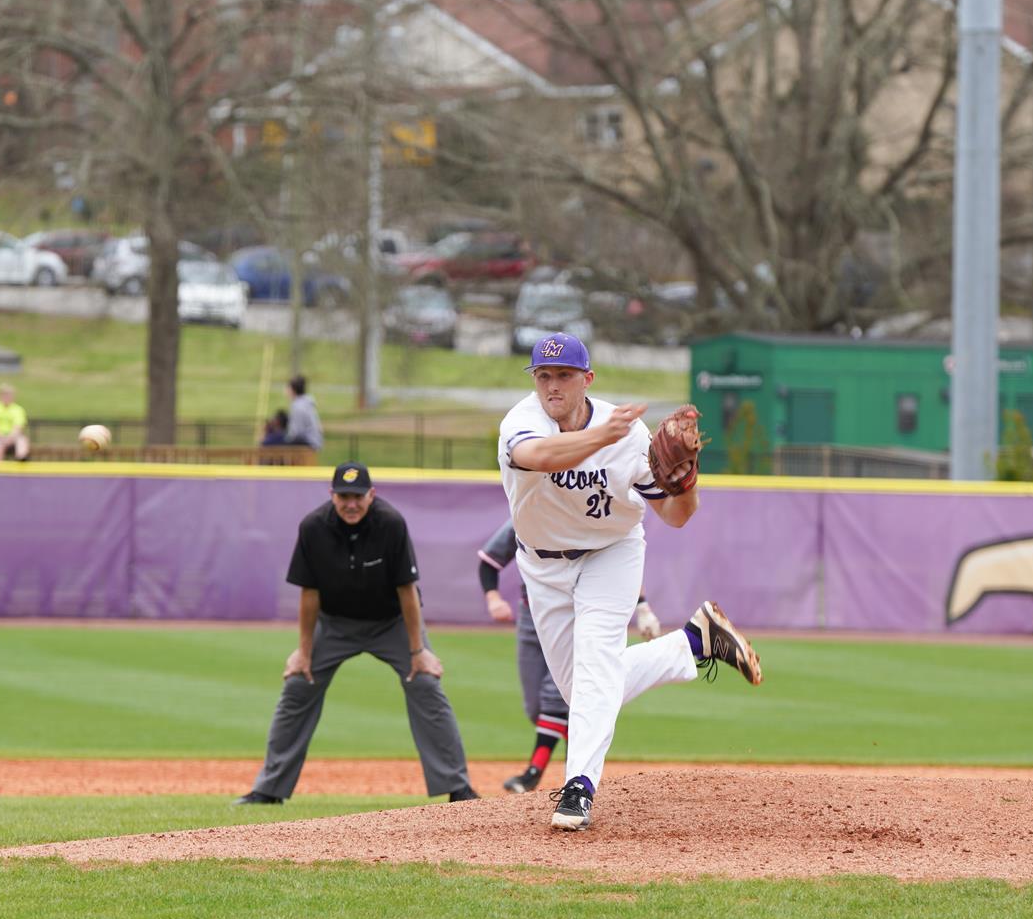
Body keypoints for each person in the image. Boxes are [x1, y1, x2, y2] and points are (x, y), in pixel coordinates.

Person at [499, 332, 761, 832]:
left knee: (597, 664)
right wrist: (604, 435)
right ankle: (692, 642)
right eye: (544, 376)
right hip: (543, 566)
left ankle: (579, 788)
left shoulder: (631, 436)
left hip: (610, 554)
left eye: (564, 376)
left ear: (587, 380)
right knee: (585, 694)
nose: (553, 386)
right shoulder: (522, 422)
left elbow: (677, 517)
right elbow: (545, 457)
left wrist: (686, 479)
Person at [235, 462, 476, 806]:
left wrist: (417, 649)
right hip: (335, 624)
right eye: (344, 496)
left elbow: (407, 590)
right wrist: (303, 651)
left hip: (391, 622)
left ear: (371, 495)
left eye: (358, 497)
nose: (351, 504)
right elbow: (309, 594)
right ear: (332, 496)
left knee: (424, 683)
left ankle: (458, 787)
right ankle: (269, 789)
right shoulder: (313, 527)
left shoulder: (391, 524)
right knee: (298, 685)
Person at [478, 516, 664, 793]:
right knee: (535, 707)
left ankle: (534, 772)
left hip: (578, 614)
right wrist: (493, 598)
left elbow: (622, 561)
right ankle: (581, 752)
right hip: (532, 614)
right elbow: (488, 562)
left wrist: (643, 606)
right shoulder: (525, 513)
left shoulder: (589, 510)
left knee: (556, 695)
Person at [0, 384, 31, 462]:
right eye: (5, 395)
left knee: (22, 441)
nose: (7, 397)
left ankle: (21, 462)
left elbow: (18, 428)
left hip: (12, 437)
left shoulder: (18, 409)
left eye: (9, 395)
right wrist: (2, 438)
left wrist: (9, 438)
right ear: (0, 396)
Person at [284, 375, 323, 450]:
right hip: (314, 442)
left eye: (287, 388)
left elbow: (296, 432)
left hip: (308, 443)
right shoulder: (306, 402)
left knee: (277, 442)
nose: (286, 391)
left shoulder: (298, 406)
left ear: (293, 390)